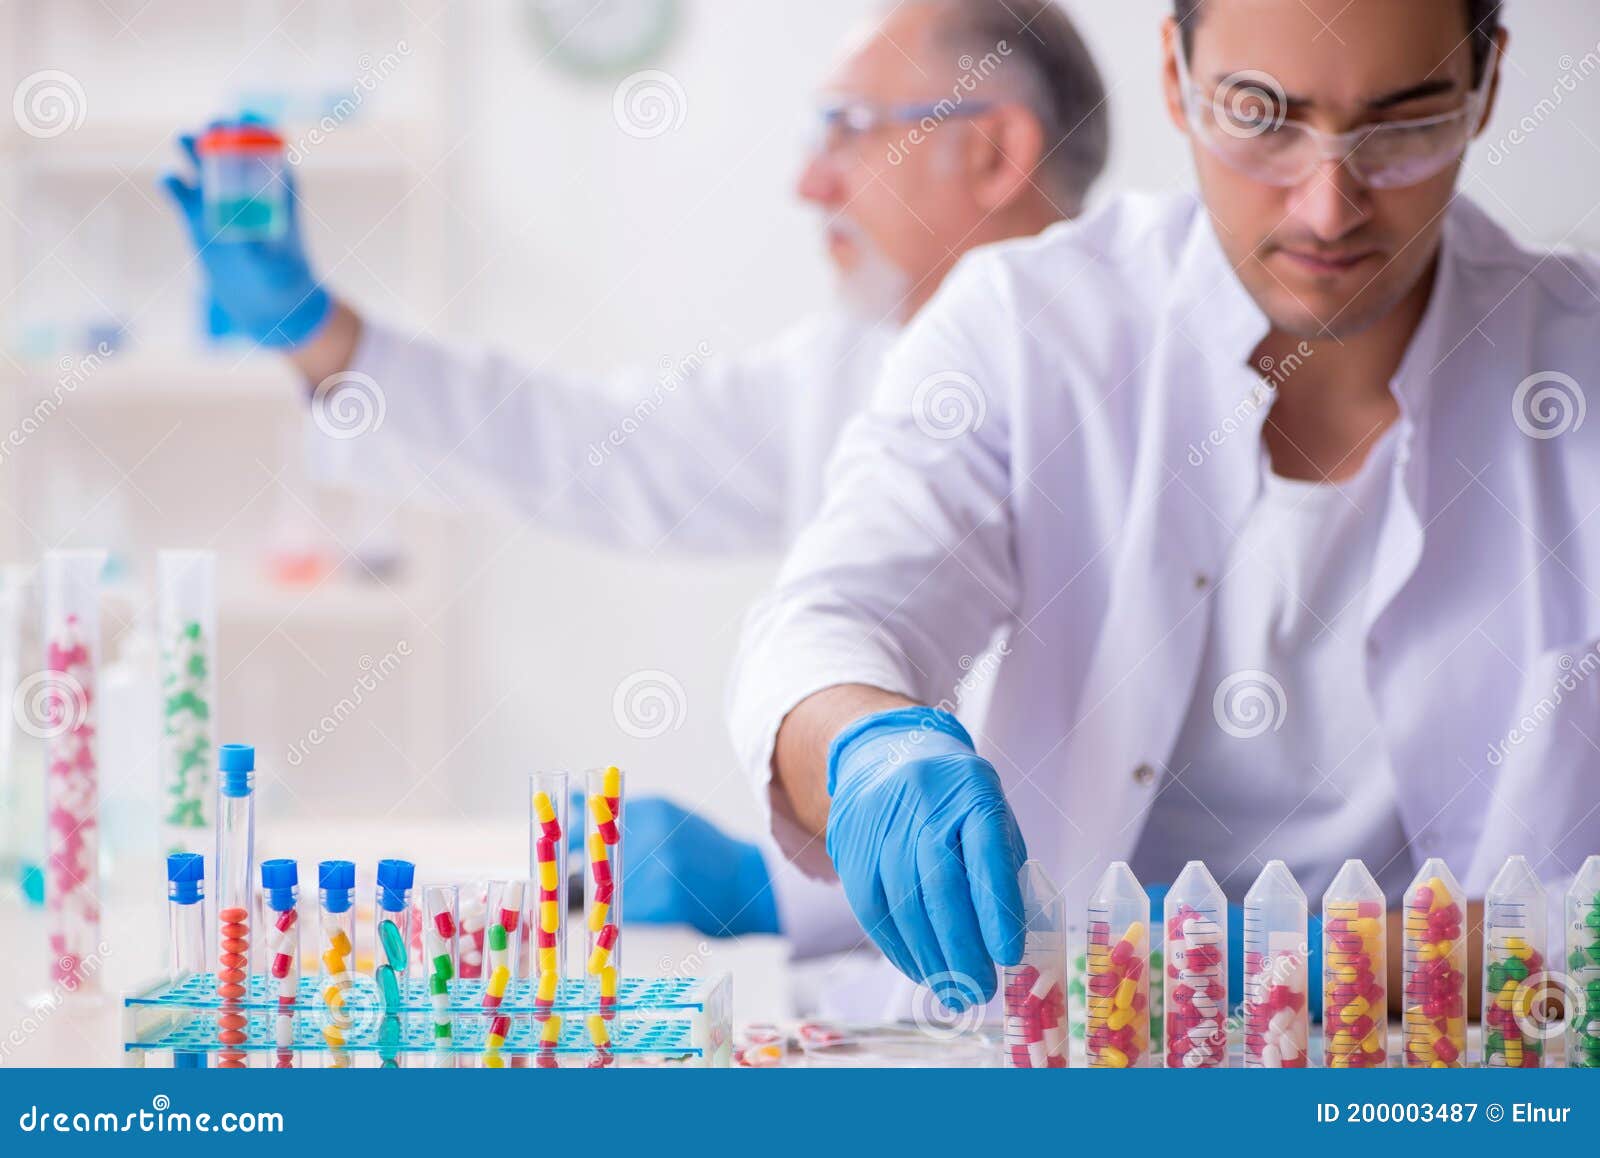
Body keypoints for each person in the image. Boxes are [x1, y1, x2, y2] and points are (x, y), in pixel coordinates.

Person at [162, 2, 1110, 977]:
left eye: (851, 130)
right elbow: (595, 446)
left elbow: (1128, 824)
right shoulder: (849, 369)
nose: (808, 181)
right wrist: (317, 333)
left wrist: (765, 888)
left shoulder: (1135, 383)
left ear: (994, 152)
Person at [729, 0, 1600, 1018]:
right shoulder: (1027, 329)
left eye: (1400, 126)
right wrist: (863, 746)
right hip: (1072, 1068)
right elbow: (838, 613)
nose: (1327, 208)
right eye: (1261, 117)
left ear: (1485, 85)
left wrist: (1361, 969)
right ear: (1177, 79)